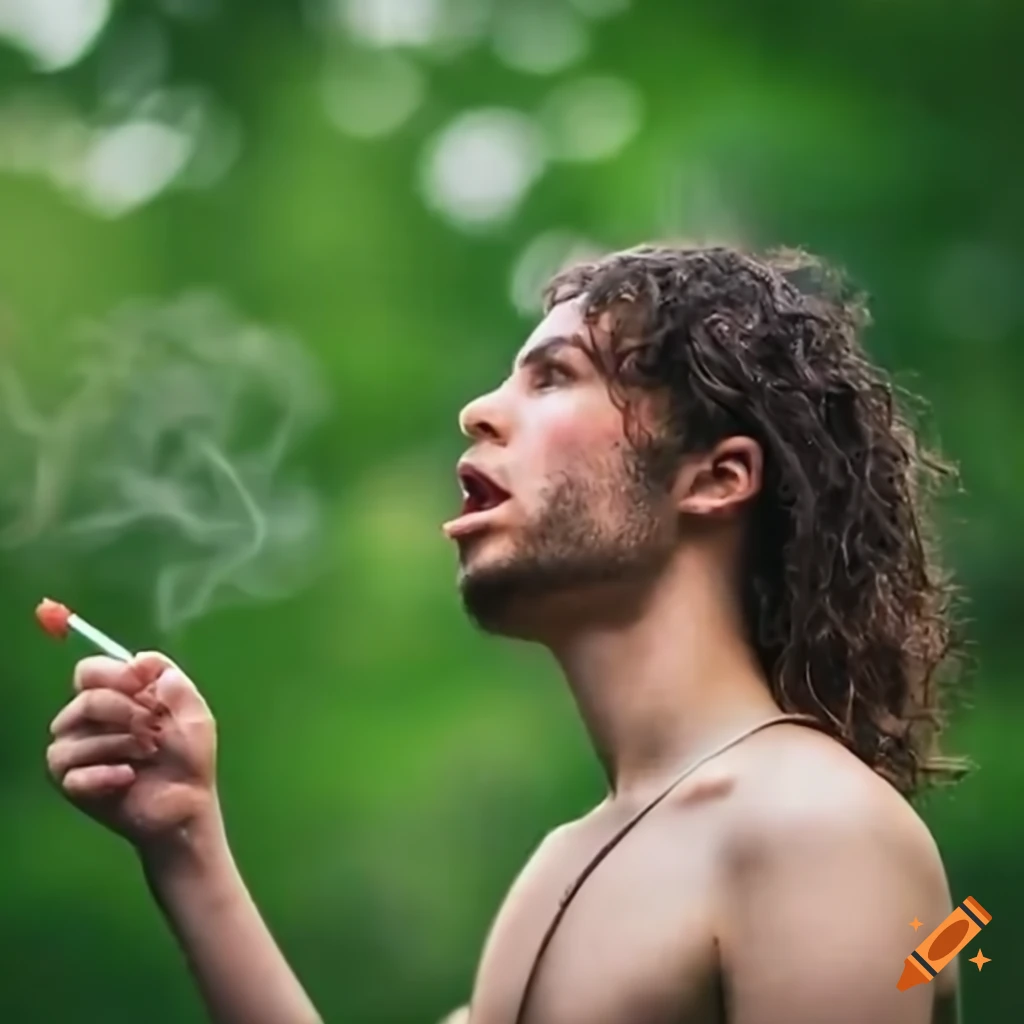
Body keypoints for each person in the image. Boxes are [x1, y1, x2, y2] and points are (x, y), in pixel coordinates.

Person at [45, 245, 968, 1024]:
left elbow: (942, 955)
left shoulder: (817, 831)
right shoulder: (559, 869)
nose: (479, 411)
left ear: (717, 478)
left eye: (555, 376)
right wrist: (187, 844)